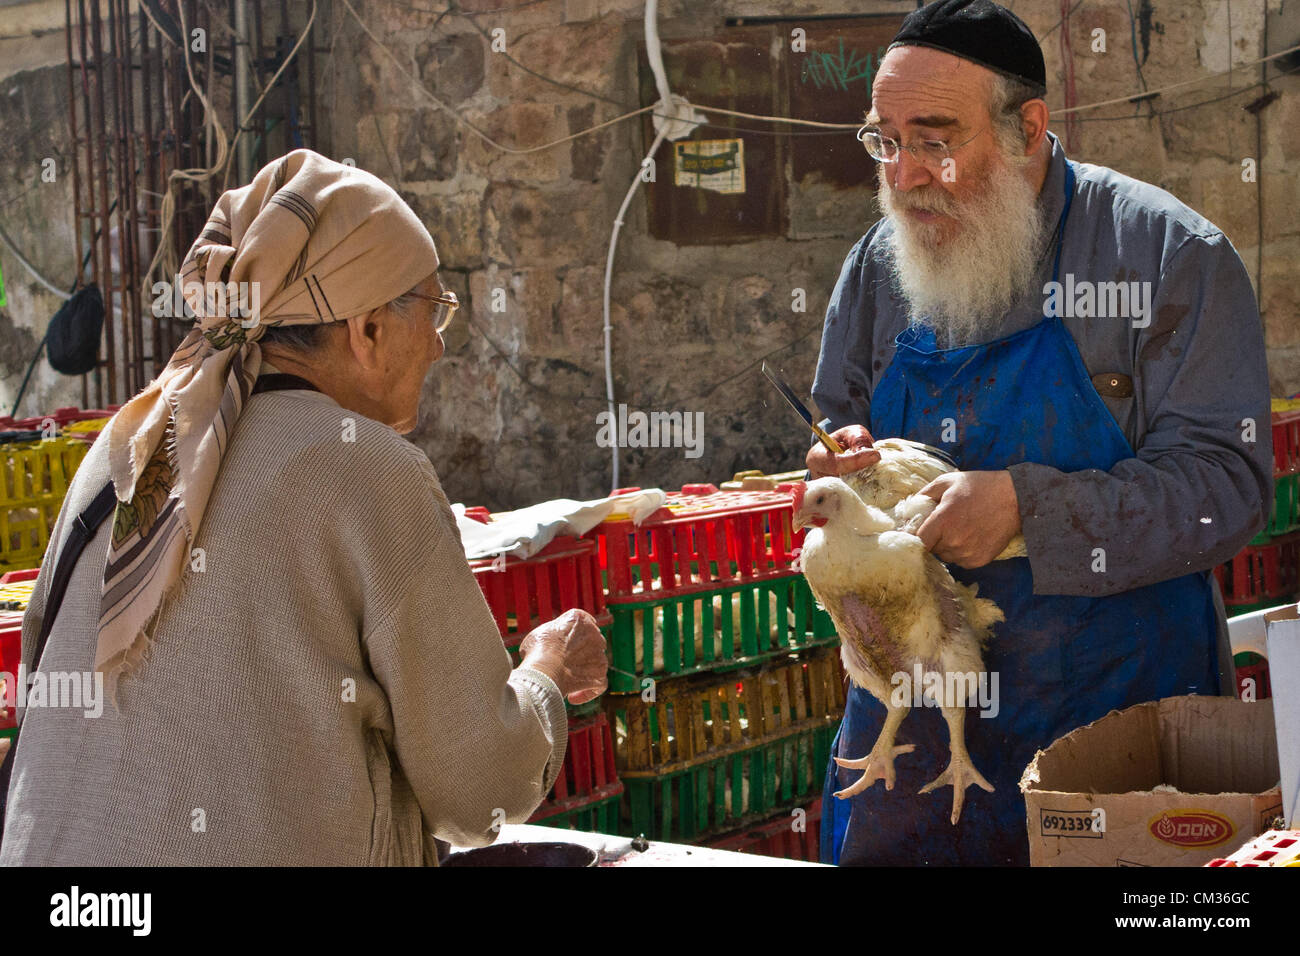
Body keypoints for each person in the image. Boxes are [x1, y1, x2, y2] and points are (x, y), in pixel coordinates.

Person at [0, 149, 607, 865]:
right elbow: (479, 790)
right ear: (368, 328)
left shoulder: (127, 443)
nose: (441, 344)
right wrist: (545, 675)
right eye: (434, 309)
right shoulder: (367, 469)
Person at [808, 0, 1273, 866]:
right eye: (885, 140)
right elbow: (836, 427)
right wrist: (846, 470)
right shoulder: (876, 269)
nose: (906, 175)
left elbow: (1230, 491)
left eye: (937, 139)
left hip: (1110, 725)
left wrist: (1027, 509)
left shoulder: (1166, 255)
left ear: (1027, 128)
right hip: (916, 735)